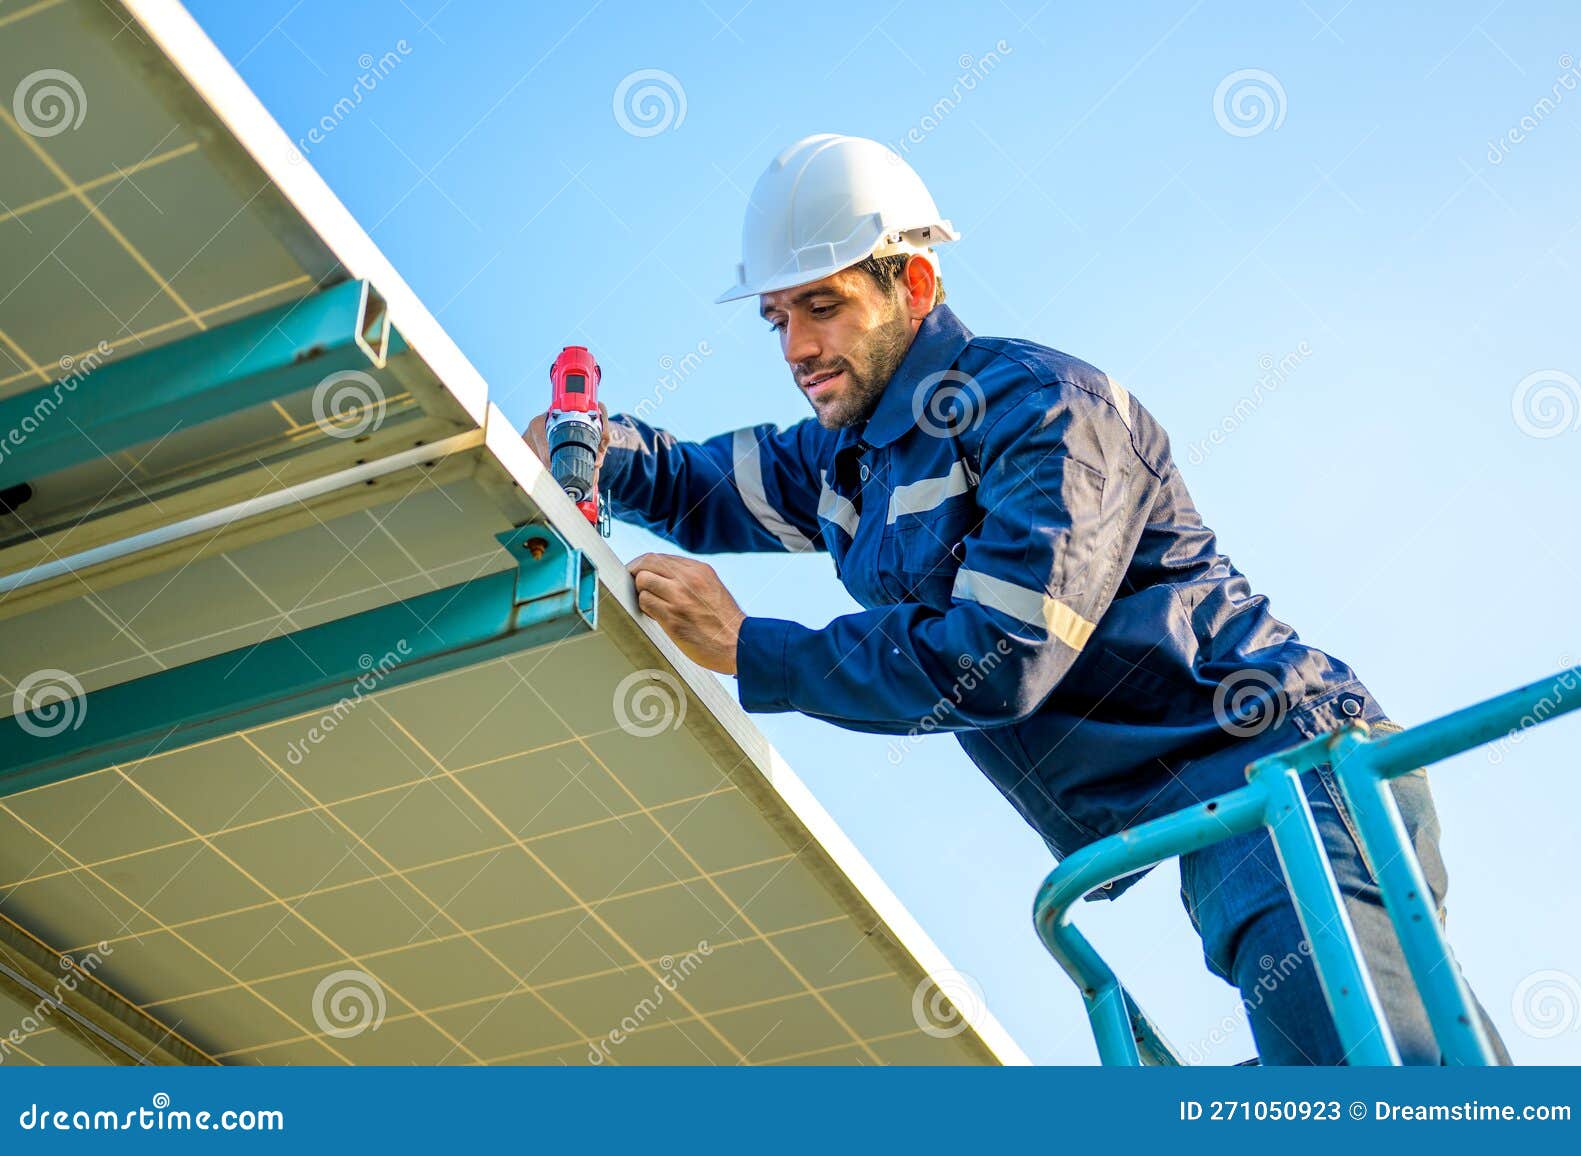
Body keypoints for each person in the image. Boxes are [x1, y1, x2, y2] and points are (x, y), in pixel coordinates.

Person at [523, 133, 1509, 1065]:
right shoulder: (851, 461)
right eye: (778, 317)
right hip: (1206, 803)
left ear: (910, 282)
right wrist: (596, 448)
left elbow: (1002, 651)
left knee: (1381, 1075)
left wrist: (755, 650)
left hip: (1285, 764)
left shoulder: (1043, 409)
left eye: (821, 305)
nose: (795, 347)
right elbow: (700, 483)